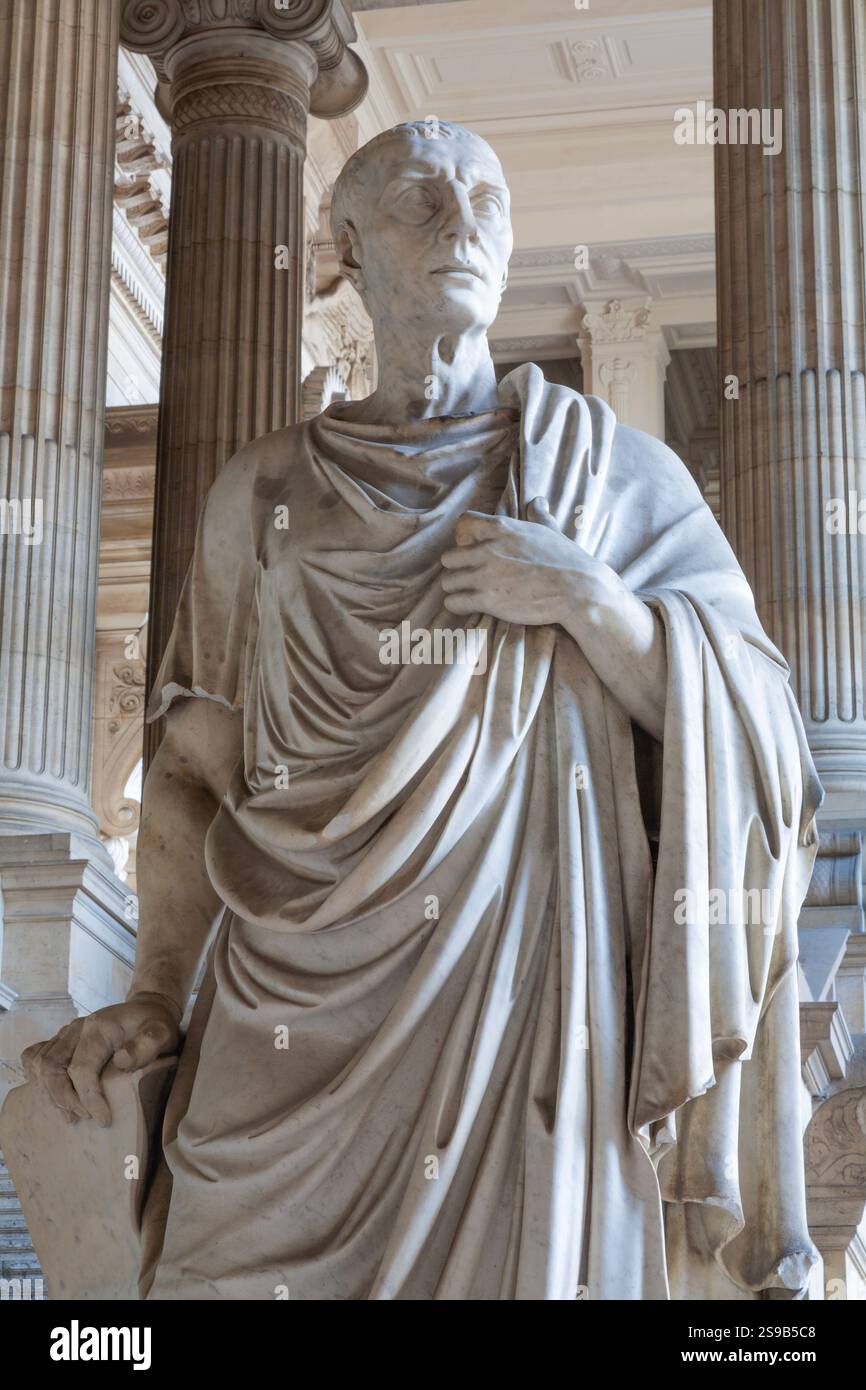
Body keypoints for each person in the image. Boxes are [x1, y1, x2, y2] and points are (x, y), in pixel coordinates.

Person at [24, 121, 822, 1301]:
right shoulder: (265, 491)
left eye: (484, 201)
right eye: (418, 200)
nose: (460, 222)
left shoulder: (610, 479)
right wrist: (153, 992)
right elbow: (193, 770)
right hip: (287, 1006)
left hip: (526, 1010)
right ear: (346, 247)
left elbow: (765, 745)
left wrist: (598, 609)